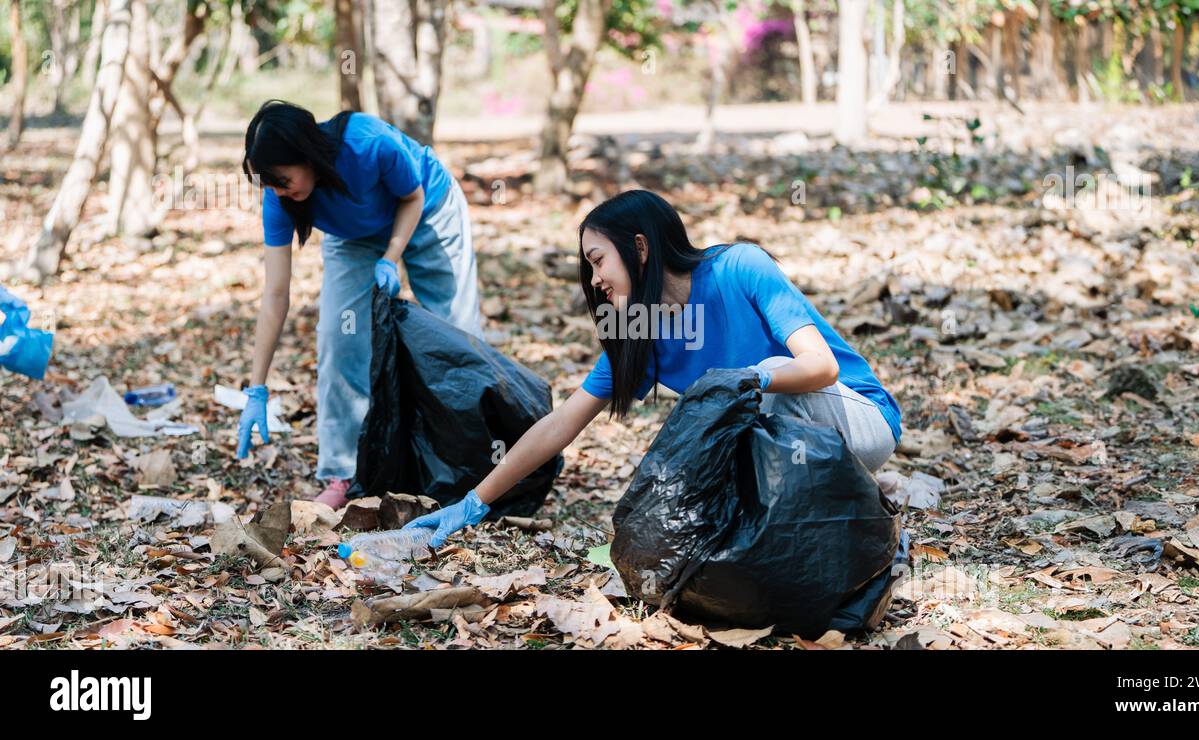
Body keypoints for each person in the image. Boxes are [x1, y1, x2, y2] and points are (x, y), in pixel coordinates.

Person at [404, 189, 902, 546]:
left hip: (859, 423)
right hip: (786, 450)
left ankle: (848, 491)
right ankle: (836, 497)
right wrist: (475, 502)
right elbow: (560, 425)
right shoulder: (642, 328)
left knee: (758, 381)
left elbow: (820, 368)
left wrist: (744, 380)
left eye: (599, 260)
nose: (595, 279)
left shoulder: (741, 268)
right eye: (591, 267)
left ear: (640, 248)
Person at [238, 100, 483, 508]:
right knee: (339, 336)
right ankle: (343, 471)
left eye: (283, 179)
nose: (279, 191)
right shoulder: (279, 197)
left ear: (307, 154)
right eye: (270, 184)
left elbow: (412, 197)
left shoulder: (369, 143)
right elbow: (275, 294)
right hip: (355, 237)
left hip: (427, 208)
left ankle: (471, 463)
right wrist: (257, 387)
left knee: (456, 332)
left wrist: (391, 257)